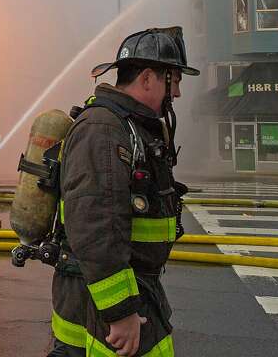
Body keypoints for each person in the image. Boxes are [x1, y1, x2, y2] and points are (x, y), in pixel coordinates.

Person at [50, 27, 197, 357]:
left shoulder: (129, 128)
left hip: (133, 289)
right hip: (100, 305)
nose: (177, 94)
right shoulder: (103, 128)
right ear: (148, 78)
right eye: (172, 82)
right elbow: (95, 225)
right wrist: (120, 312)